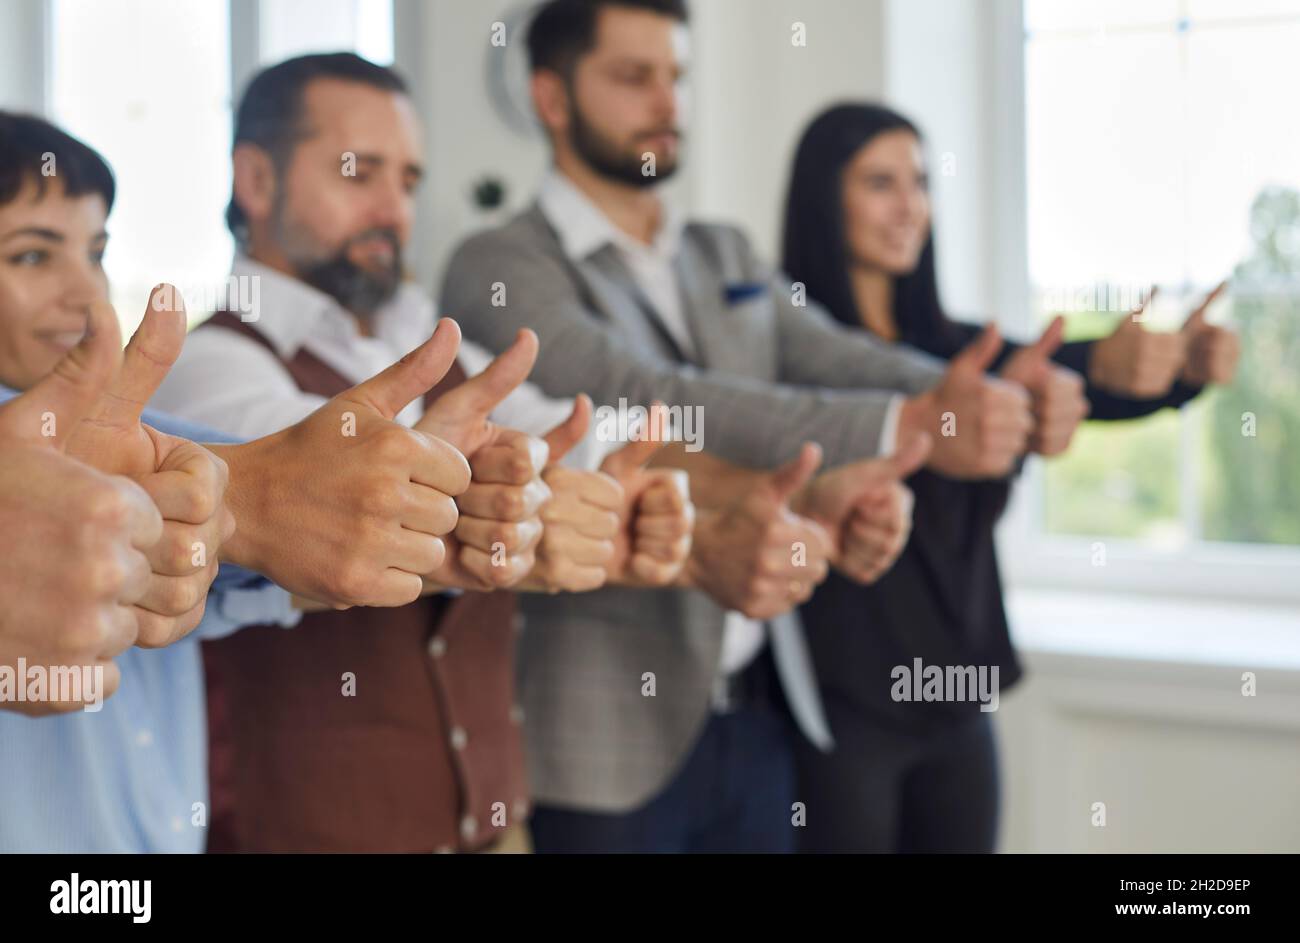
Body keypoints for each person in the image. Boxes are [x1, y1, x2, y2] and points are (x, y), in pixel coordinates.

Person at [441, 0, 1036, 852]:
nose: (667, 102)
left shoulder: (724, 252)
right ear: (552, 97)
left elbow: (839, 355)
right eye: (633, 76)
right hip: (608, 744)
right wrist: (918, 422)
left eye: (676, 77)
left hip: (764, 714)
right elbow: (643, 393)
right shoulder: (499, 263)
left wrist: (988, 387)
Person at [149, 53, 694, 852]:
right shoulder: (204, 366)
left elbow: (566, 435)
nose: (392, 207)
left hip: (501, 827)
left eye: (407, 181)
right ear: (256, 181)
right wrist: (537, 493)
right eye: (358, 171)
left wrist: (638, 495)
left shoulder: (425, 335)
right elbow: (356, 490)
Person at [0, 110, 486, 851]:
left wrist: (447, 496)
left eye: (94, 251)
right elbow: (263, 488)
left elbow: (264, 500)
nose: (82, 293)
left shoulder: (138, 433)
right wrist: (257, 500)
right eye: (32, 257)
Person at [781, 101, 1240, 852]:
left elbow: (1068, 380)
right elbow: (927, 389)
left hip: (958, 699)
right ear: (823, 197)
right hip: (847, 706)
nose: (910, 207)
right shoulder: (797, 353)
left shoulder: (960, 344)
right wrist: (1081, 368)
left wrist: (1178, 370)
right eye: (879, 182)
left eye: (920, 182)